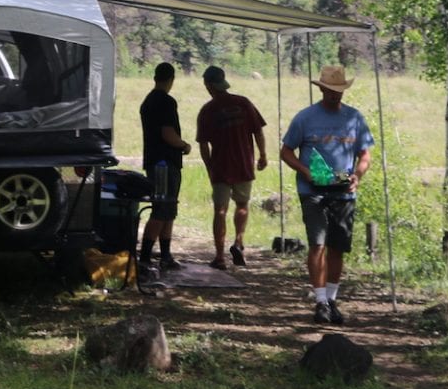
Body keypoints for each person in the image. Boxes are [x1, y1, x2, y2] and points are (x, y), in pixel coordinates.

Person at [279, 64, 374, 325]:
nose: (335, 95)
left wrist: (358, 175)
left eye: (339, 91)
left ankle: (332, 299)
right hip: (313, 191)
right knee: (317, 244)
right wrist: (304, 171)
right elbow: (286, 151)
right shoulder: (305, 118)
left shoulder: (355, 118)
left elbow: (365, 155)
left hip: (343, 192)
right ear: (321, 89)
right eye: (330, 91)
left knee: (337, 247)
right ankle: (320, 301)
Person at [195, 65, 268, 270]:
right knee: (242, 205)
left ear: (209, 86)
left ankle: (219, 257)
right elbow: (258, 132)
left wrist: (210, 167)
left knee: (220, 210)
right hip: (244, 162)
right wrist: (262, 155)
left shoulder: (207, 110)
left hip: (221, 166)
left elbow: (203, 144)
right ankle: (238, 241)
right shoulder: (243, 103)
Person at [137, 61, 192, 277]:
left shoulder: (148, 101)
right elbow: (168, 134)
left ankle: (166, 256)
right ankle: (145, 257)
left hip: (154, 161)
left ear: (155, 77)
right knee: (161, 209)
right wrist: (184, 145)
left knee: (169, 208)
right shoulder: (166, 102)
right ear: (171, 80)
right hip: (165, 163)